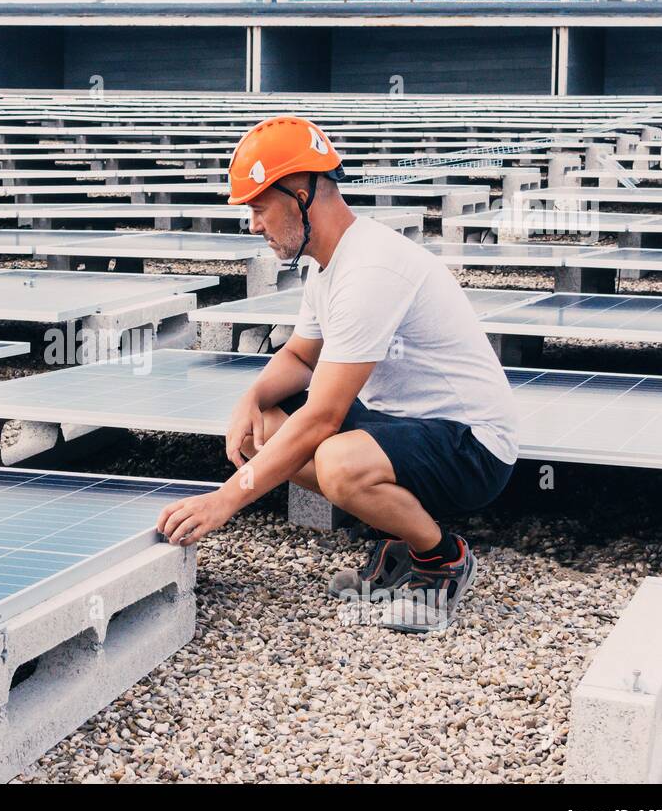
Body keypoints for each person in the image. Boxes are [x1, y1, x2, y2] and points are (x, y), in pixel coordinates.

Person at [155, 115, 519, 633]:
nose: (253, 225)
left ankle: (441, 559)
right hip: (403, 422)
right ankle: (400, 539)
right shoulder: (325, 261)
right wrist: (250, 399)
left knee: (338, 462)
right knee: (266, 432)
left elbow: (323, 416)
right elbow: (302, 358)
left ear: (300, 192)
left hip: (473, 446)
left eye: (259, 207)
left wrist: (224, 500)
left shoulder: (371, 268)